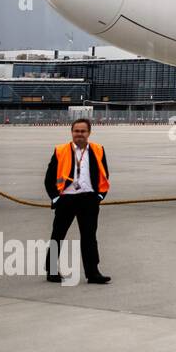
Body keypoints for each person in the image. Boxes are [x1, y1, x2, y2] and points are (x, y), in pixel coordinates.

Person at [43, 118, 111, 284]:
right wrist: (56, 198)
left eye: (83, 131)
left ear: (89, 133)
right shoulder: (60, 150)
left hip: (88, 199)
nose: (79, 134)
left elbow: (104, 174)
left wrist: (100, 196)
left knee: (89, 237)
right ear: (71, 132)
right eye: (76, 131)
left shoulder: (98, 150)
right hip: (66, 199)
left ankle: (93, 272)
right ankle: (51, 270)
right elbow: (49, 179)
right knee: (58, 235)